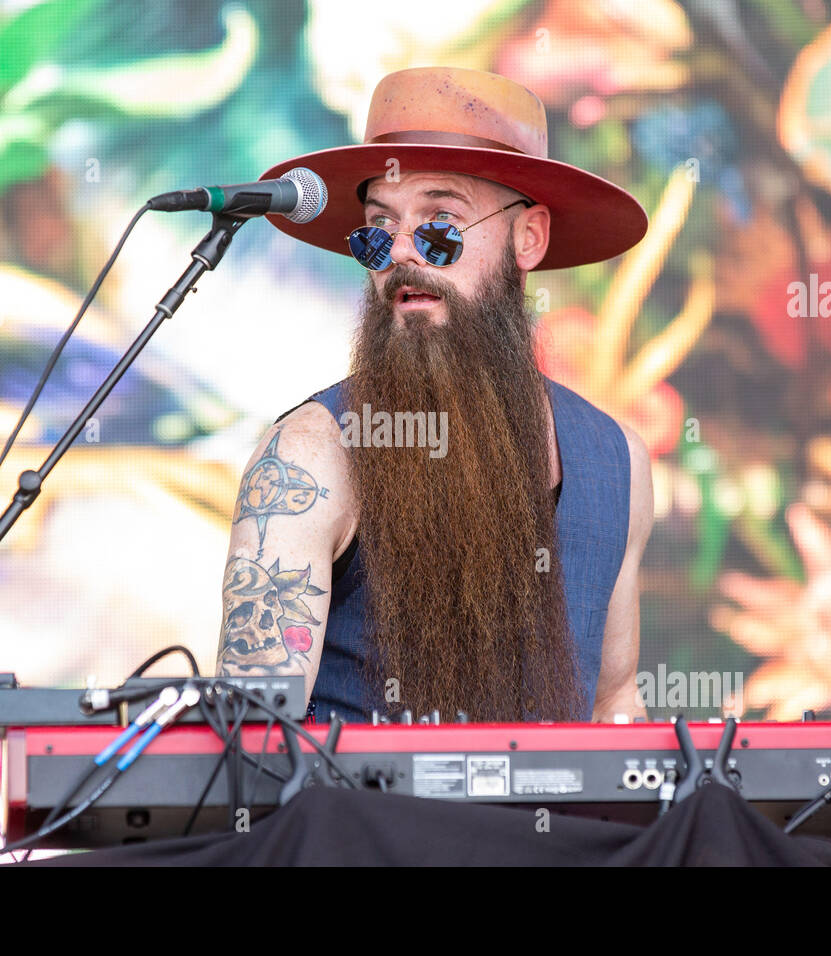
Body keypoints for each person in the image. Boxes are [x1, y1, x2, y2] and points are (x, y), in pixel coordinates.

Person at [215, 67, 654, 724]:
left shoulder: (618, 461)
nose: (399, 253)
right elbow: (251, 734)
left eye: (439, 225)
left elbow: (617, 707)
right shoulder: (311, 453)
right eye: (375, 230)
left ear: (527, 238)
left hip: (561, 832)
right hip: (357, 828)